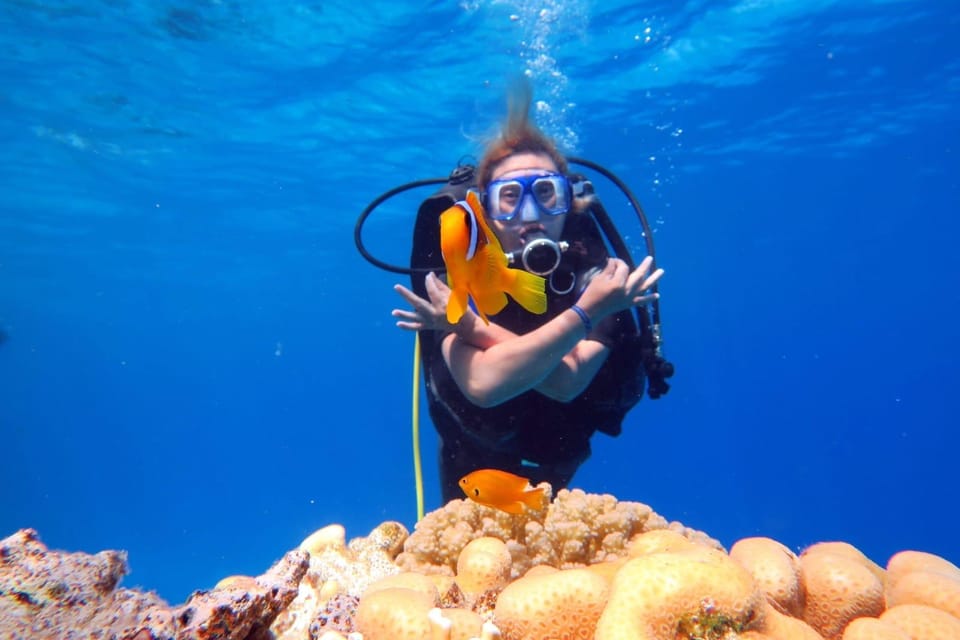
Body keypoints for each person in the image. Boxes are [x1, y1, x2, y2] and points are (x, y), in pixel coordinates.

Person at [391, 85, 665, 503]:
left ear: (569, 201)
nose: (530, 215)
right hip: (472, 456)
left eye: (545, 193)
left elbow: (567, 384)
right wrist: (588, 314)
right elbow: (484, 383)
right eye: (510, 198)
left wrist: (470, 327)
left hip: (560, 449)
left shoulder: (598, 272)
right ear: (484, 210)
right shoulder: (459, 263)